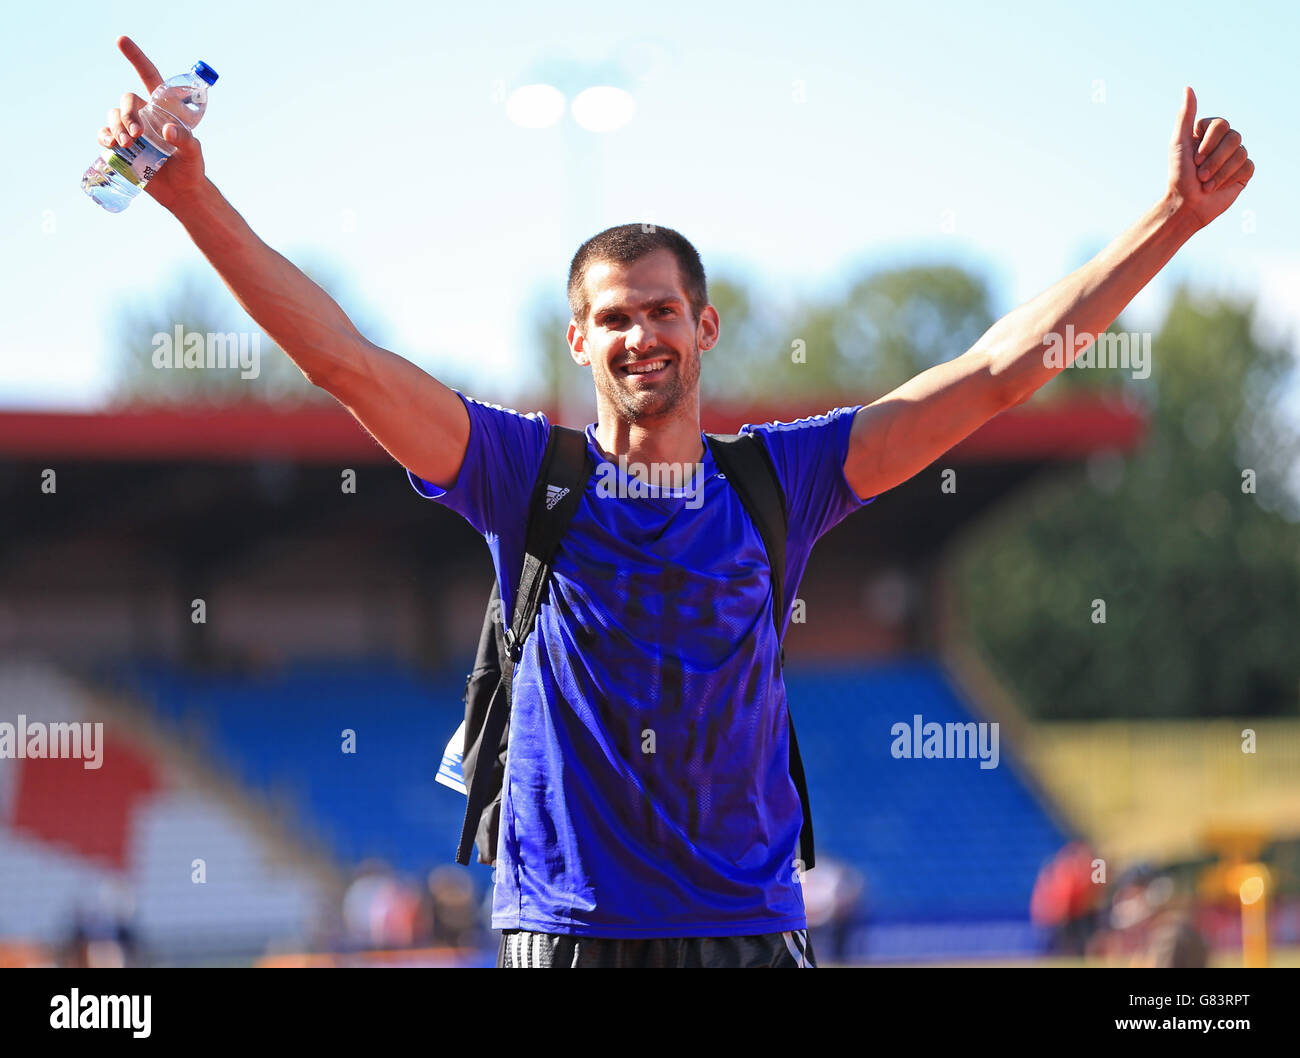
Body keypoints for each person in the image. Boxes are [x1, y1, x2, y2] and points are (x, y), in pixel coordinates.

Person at [94, 36, 1254, 968]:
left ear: (704, 326)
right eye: (614, 315)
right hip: (569, 933)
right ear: (577, 339)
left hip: (748, 928)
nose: (639, 333)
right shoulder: (522, 474)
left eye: (661, 309)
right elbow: (344, 360)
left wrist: (1170, 224)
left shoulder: (778, 479)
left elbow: (996, 373)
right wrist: (192, 195)